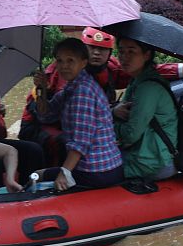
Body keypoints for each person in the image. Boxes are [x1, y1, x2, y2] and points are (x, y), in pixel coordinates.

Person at [19, 26, 128, 167]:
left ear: (109, 53)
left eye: (102, 49)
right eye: (91, 48)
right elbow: (54, 114)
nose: (96, 53)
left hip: (72, 121)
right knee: (62, 141)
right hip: (39, 121)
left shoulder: (112, 69)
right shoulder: (62, 73)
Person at [32, 37, 124, 191]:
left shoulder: (82, 92)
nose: (64, 66)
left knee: (37, 176)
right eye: (60, 61)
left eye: (70, 60)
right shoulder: (72, 87)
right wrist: (42, 89)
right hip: (93, 166)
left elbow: (80, 141)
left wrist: (64, 173)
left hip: (97, 169)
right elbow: (46, 115)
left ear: (83, 62)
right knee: (39, 174)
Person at [111, 37, 177, 182]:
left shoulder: (148, 88)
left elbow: (130, 134)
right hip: (142, 153)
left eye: (131, 51)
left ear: (147, 55)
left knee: (95, 170)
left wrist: (109, 126)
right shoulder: (136, 81)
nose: (124, 57)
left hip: (152, 161)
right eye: (121, 51)